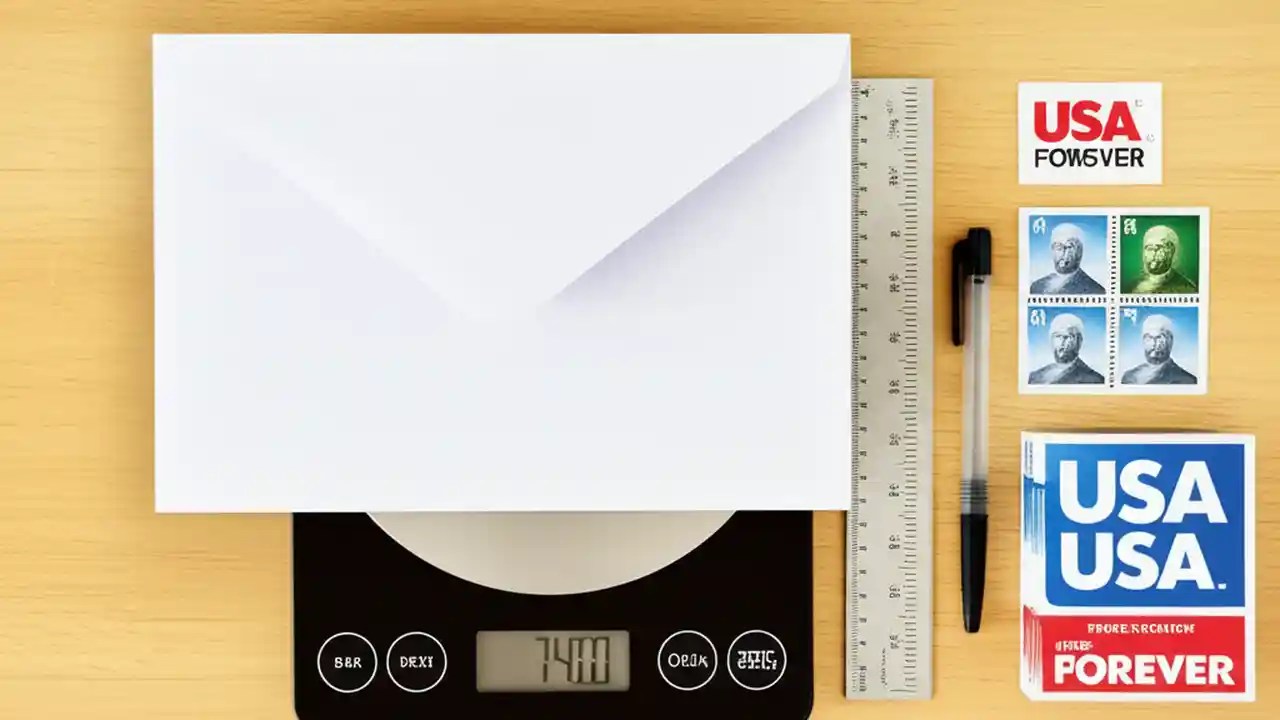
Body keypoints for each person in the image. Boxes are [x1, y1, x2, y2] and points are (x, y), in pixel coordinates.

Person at [1027, 313, 1104, 385]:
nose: (1061, 342)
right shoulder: (1034, 376)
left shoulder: (1094, 380)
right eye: (1057, 336)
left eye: (1066, 337)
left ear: (1079, 340)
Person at [1030, 223, 1106, 295]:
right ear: (1051, 250)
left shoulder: (1095, 290)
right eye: (1058, 247)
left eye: (1069, 247)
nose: (1063, 252)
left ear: (1080, 251)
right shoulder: (1036, 286)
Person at [1121, 314, 1198, 385]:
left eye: (1159, 338)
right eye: (1149, 338)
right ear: (1143, 341)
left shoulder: (1186, 380)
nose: (1154, 343)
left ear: (1170, 340)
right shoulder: (1129, 377)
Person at [1130, 225, 1197, 294]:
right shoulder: (1132, 285)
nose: (1153, 253)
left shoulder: (1186, 289)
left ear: (1171, 252)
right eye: (1149, 248)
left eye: (1159, 248)